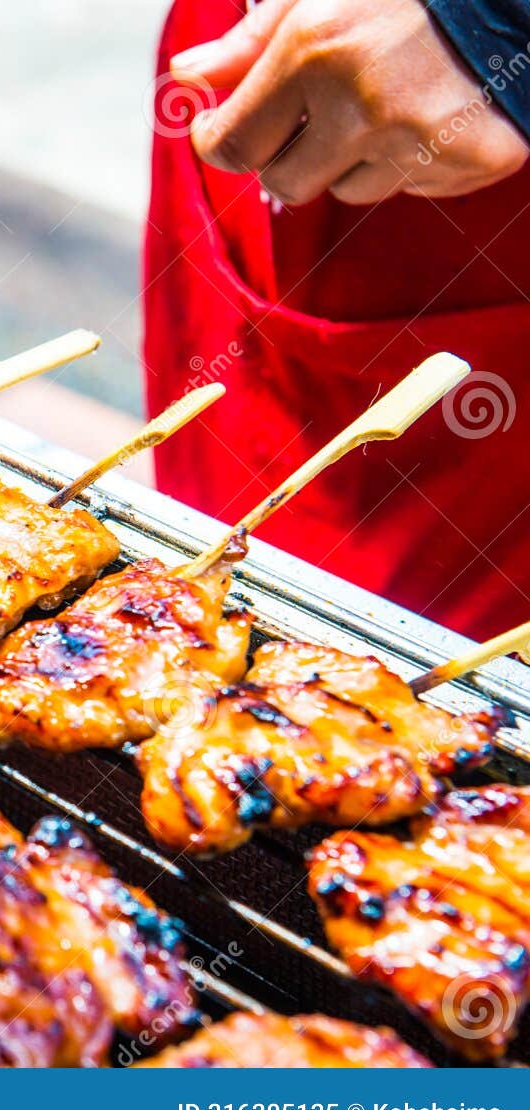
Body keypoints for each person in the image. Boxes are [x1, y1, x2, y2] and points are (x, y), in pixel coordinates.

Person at [146, 0, 530, 639]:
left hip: (437, 82)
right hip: (266, 47)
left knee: (388, 674)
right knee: (194, 603)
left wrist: (486, 24)